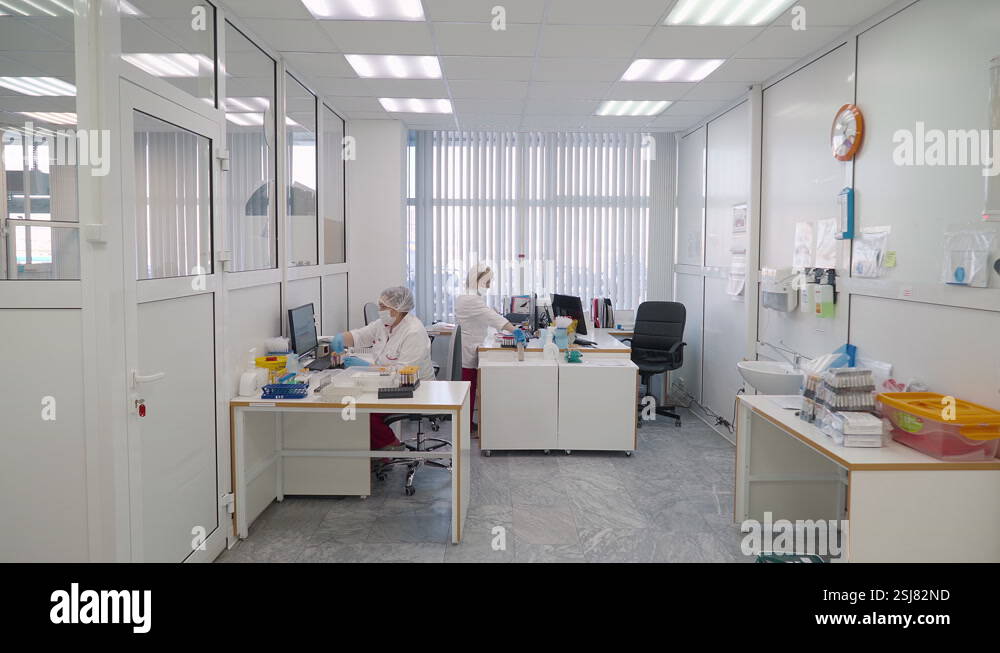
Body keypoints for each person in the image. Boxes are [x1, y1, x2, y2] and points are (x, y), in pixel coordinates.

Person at [330, 286, 434, 452]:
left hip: (413, 389)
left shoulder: (414, 332)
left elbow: (402, 373)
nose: (380, 310)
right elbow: (359, 336)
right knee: (354, 407)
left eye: (383, 307)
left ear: (398, 308)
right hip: (388, 383)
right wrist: (339, 338)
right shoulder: (383, 324)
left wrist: (367, 367)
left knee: (360, 411)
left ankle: (392, 448)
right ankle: (375, 456)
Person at [454, 264, 513, 431]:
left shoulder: (471, 297)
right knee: (470, 388)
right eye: (486, 281)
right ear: (476, 280)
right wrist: (516, 331)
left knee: (470, 388)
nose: (489, 285)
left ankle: (467, 424)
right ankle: (465, 425)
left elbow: (487, 317)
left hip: (473, 345)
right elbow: (492, 317)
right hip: (470, 347)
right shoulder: (470, 299)